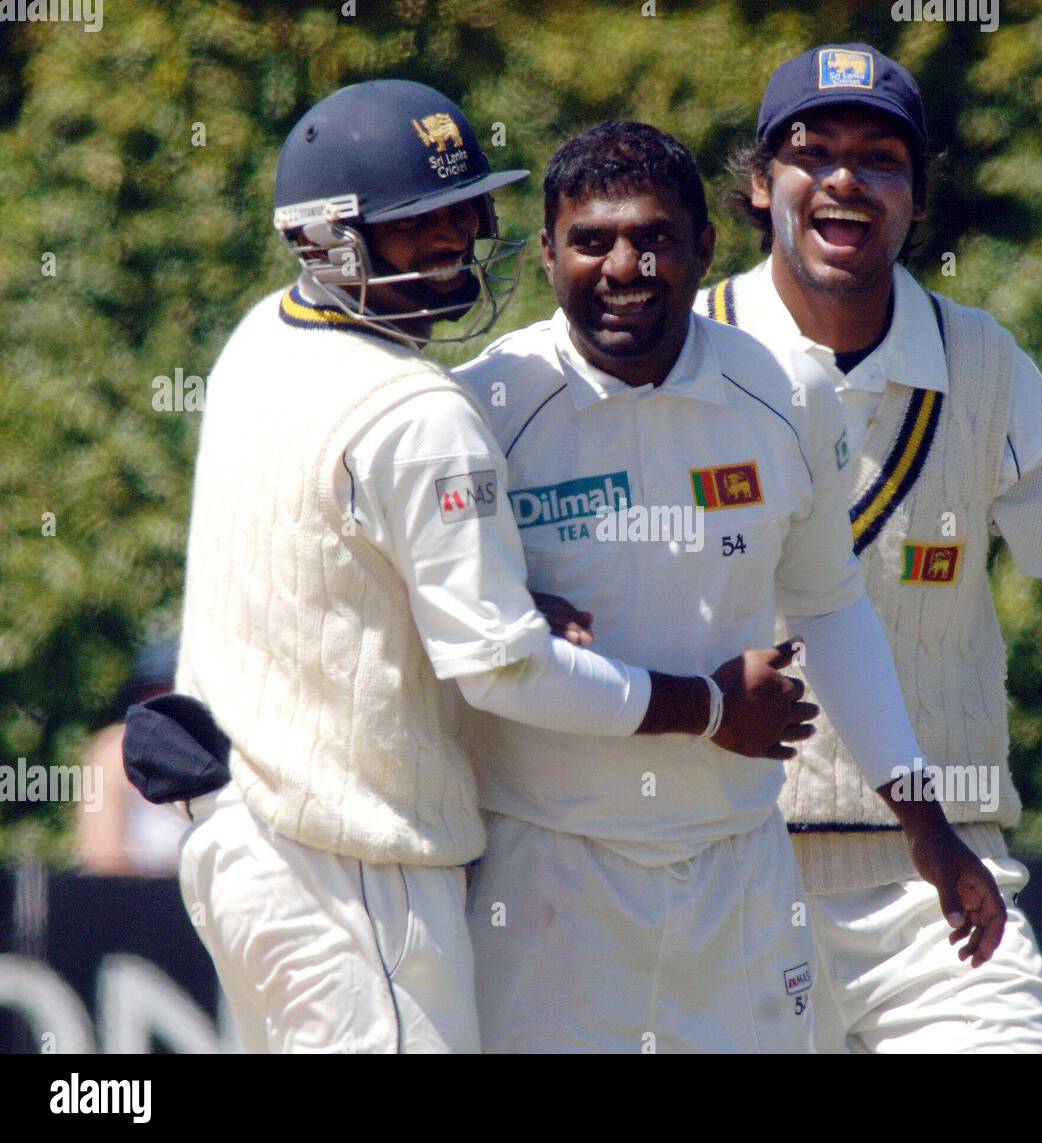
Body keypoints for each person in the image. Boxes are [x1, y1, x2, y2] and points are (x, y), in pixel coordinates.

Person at [171, 80, 817, 1054]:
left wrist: (490, 588)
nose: (460, 244)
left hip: (238, 844)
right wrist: (712, 707)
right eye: (419, 225)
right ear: (329, 239)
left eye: (462, 214)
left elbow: (336, 575)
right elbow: (503, 668)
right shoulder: (422, 412)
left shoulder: (257, 341)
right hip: (356, 869)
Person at [454, 120, 1007, 1054]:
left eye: (655, 238)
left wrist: (926, 824)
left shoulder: (786, 389)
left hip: (738, 866)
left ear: (705, 246)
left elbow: (832, 608)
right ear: (547, 253)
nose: (625, 267)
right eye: (592, 241)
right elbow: (438, 624)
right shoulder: (482, 406)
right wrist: (509, 599)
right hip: (546, 872)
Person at [699, 43, 1042, 1053]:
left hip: (941, 890)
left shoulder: (979, 362)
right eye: (813, 151)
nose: (846, 179)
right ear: (761, 184)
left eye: (881, 159)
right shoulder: (679, 348)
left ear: (916, 197)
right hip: (717, 873)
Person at [78, 641, 188, 875]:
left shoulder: (224, 749)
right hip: (137, 897)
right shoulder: (112, 754)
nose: (162, 706)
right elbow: (102, 854)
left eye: (171, 693)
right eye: (152, 695)